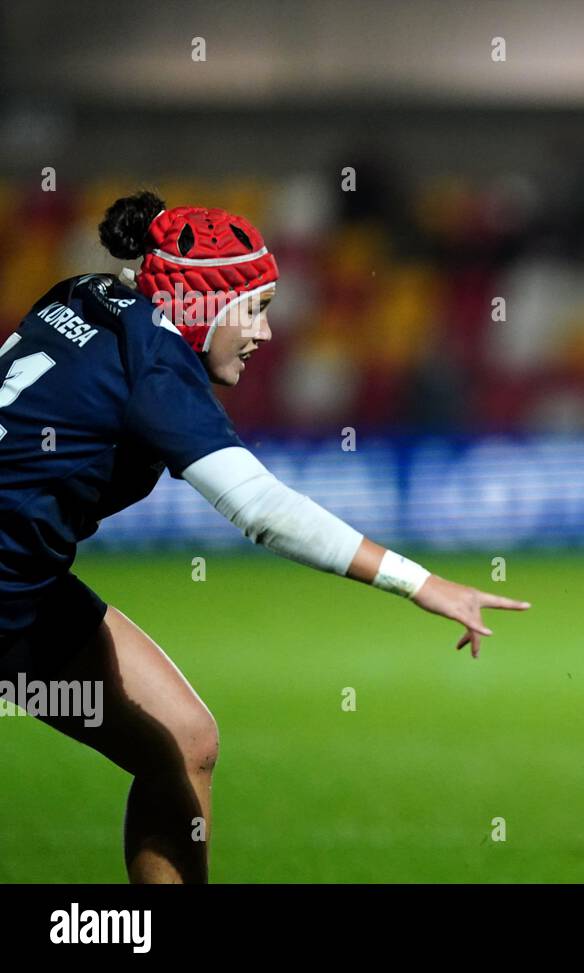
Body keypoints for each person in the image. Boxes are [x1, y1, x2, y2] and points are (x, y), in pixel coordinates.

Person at [0, 191, 529, 883]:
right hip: (13, 586)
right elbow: (263, 510)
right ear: (200, 303)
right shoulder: (154, 365)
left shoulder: (87, 292)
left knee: (183, 741)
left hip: (25, 588)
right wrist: (421, 582)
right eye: (254, 308)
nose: (265, 333)